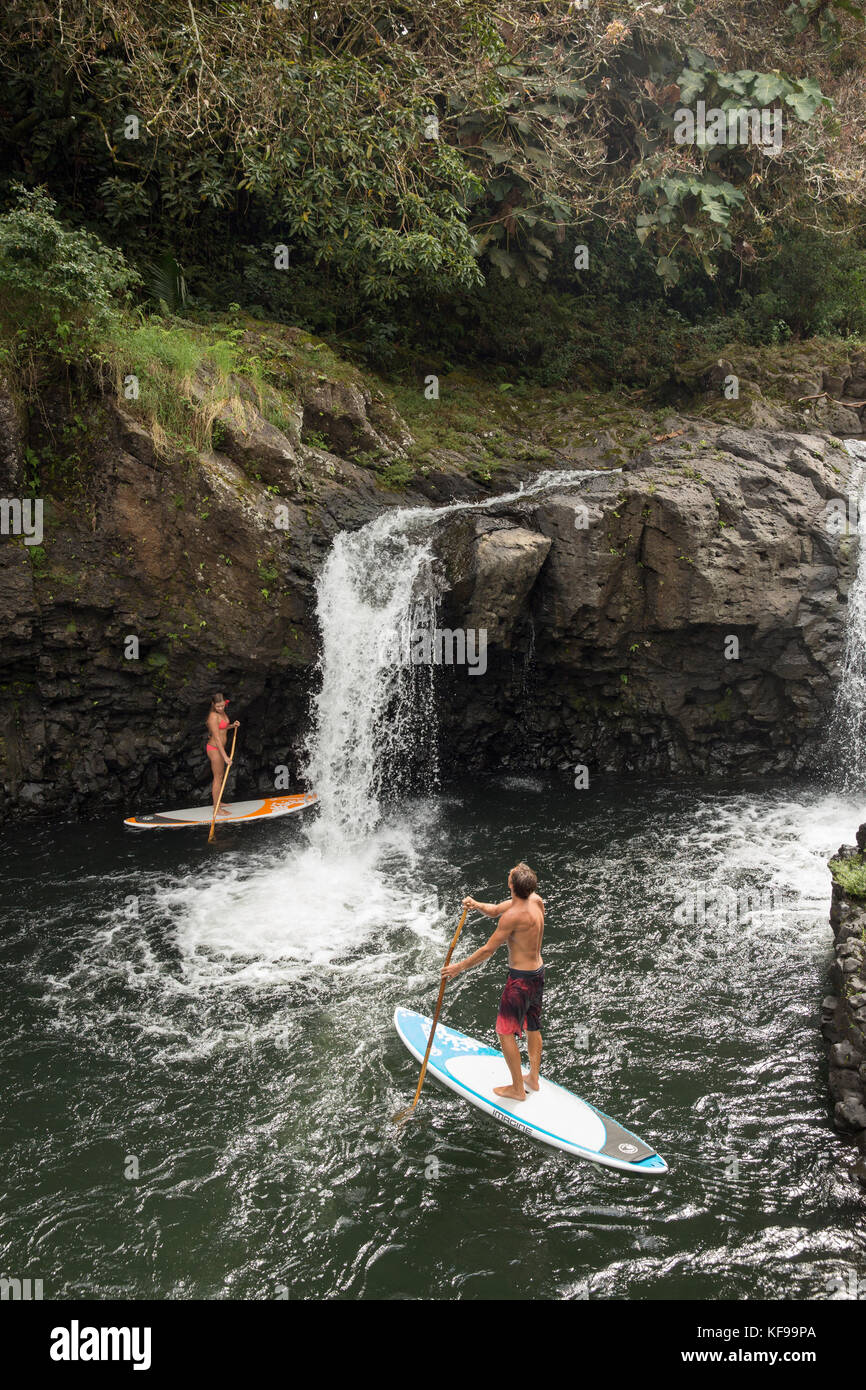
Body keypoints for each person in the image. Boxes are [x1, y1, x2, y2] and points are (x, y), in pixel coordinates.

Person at [441, 863, 545, 1102]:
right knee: (532, 1025)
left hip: (520, 981)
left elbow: (488, 950)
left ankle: (518, 1089)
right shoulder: (536, 901)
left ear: (511, 886)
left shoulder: (512, 917)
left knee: (505, 1032)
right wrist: (476, 905)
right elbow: (495, 909)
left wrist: (459, 967)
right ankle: (533, 1079)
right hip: (538, 973)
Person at [205, 693, 240, 813]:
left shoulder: (222, 713)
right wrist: (225, 757)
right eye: (218, 706)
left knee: (220, 777)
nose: (220, 708)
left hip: (220, 749)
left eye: (222, 706)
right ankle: (216, 808)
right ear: (213, 704)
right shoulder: (213, 716)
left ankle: (219, 801)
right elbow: (217, 738)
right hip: (214, 749)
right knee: (218, 777)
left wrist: (232, 725)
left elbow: (223, 728)